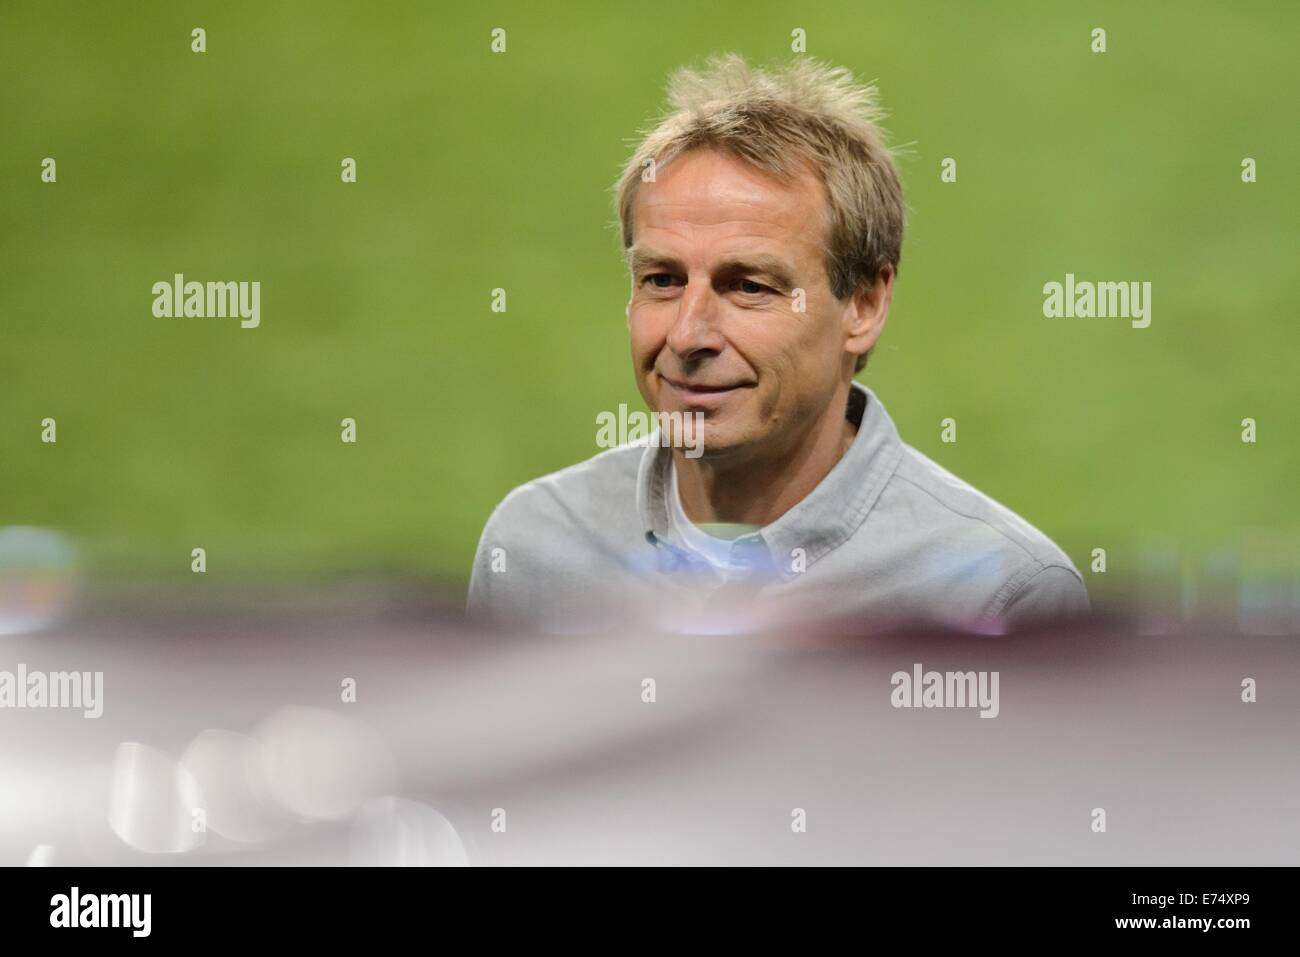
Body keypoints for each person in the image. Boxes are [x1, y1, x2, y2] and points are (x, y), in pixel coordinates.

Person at [468, 54, 1088, 634]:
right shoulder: (534, 548)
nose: (688, 335)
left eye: (749, 287)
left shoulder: (1001, 597)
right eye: (662, 280)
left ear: (865, 306)